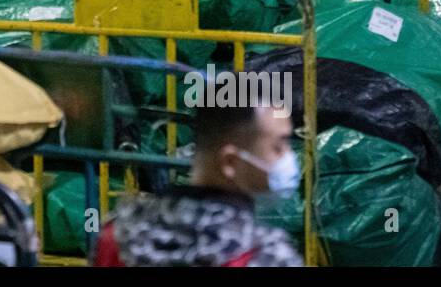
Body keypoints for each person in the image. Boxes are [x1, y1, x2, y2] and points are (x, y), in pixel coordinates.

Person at [94, 100, 303, 267]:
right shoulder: (265, 255)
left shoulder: (119, 234)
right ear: (230, 162)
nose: (288, 157)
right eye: (278, 146)